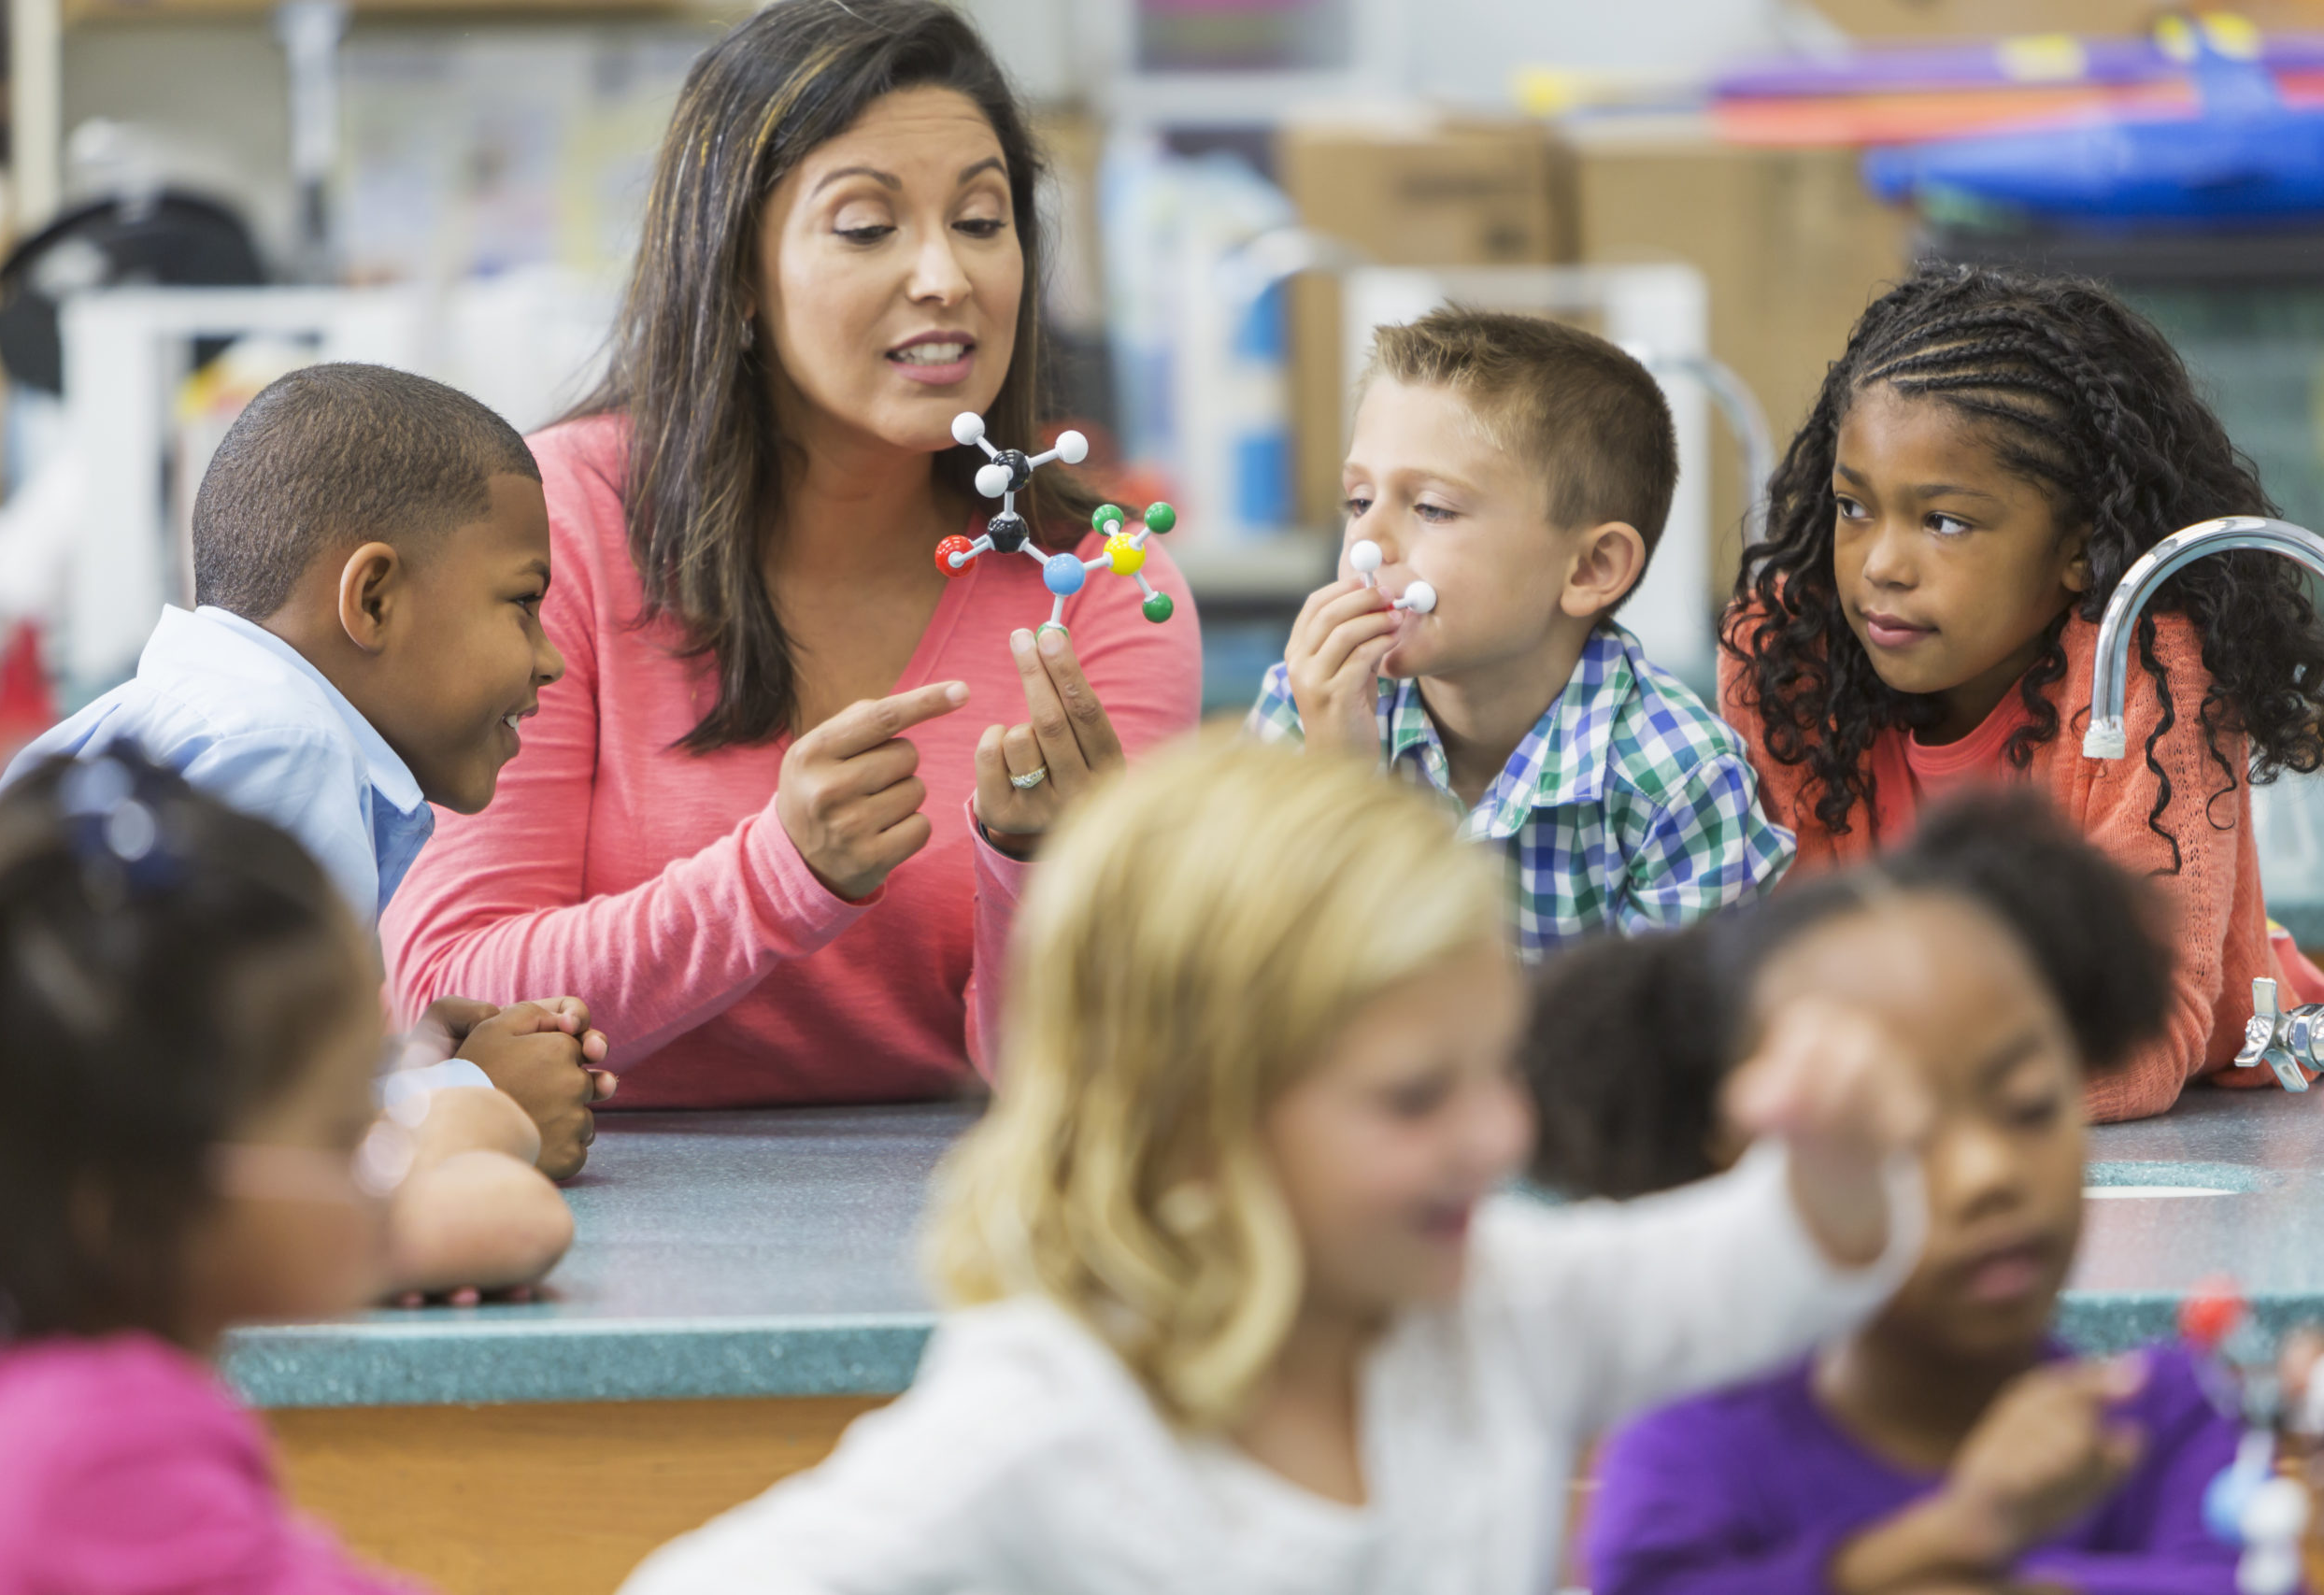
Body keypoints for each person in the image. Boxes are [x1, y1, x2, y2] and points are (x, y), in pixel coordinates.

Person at [618, 737, 1926, 1595]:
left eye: (1495, 1069)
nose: (1498, 1138)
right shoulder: (1051, 1421)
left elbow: (1755, 1271)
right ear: (1198, 1117)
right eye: (1415, 1095)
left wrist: (1840, 1155)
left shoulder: (1493, 1305)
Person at [378, 0, 1202, 1108]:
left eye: (981, 220)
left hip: (956, 1219)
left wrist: (1036, 866)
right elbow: (443, 999)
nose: (945, 278)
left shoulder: (1098, 585)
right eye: (867, 228)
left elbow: (1090, 1079)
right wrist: (781, 877)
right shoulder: (554, 527)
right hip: (591, 1210)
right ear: (738, 273)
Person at [1529, 794, 2246, 1594]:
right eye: (1896, 1137)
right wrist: (1962, 1530)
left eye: (2031, 1106)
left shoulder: (2161, 1422)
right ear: (1747, 1169)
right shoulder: (1690, 1447)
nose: (1988, 1175)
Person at [0, 752, 572, 1592]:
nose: (384, 1157)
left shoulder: (44, 1383)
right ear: (130, 1201)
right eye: (345, 1132)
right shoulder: (96, 1451)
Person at [1719, 263, 2324, 1121]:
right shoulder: (1785, 654)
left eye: (1945, 522)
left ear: (2080, 548)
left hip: (2228, 1075)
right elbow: (1787, 957)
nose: (1881, 565)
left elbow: (2149, 1028)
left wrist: (1888, 1089)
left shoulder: (2150, 665)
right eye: (1854, 507)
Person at [0, 363, 612, 1185]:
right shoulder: (287, 745)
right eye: (522, 603)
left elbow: (180, 1050)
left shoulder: (166, 721)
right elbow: (236, 1148)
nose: (551, 661)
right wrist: (479, 1098)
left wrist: (404, 1064)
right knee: (503, 1225)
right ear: (374, 601)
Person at [1248, 307, 1790, 959]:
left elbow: (1674, 1044)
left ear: (1592, 567)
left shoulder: (1680, 779)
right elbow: (1261, 996)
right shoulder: (1305, 706)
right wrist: (1336, 785)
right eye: (1359, 500)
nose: (1367, 542)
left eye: (1432, 508)